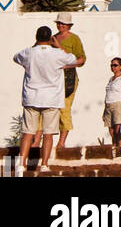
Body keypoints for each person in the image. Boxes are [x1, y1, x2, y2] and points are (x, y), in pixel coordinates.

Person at [13, 27, 83, 175]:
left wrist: (34, 46)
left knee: (27, 133)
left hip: (32, 97)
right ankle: (44, 164)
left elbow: (16, 57)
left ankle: (21, 165)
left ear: (36, 37)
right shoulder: (57, 54)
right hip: (51, 98)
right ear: (51, 38)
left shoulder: (29, 53)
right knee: (48, 134)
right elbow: (72, 58)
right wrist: (57, 45)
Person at [51, 13, 86, 153]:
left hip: (68, 76)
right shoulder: (53, 37)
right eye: (59, 23)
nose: (60, 26)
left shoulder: (74, 39)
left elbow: (81, 59)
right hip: (53, 76)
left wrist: (59, 47)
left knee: (65, 108)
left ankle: (62, 142)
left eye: (63, 24)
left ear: (69, 26)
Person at [103, 56, 121, 146]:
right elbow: (107, 94)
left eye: (115, 65)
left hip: (118, 105)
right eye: (111, 65)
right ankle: (114, 148)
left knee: (119, 130)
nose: (113, 67)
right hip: (108, 106)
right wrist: (104, 111)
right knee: (111, 130)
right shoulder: (111, 79)